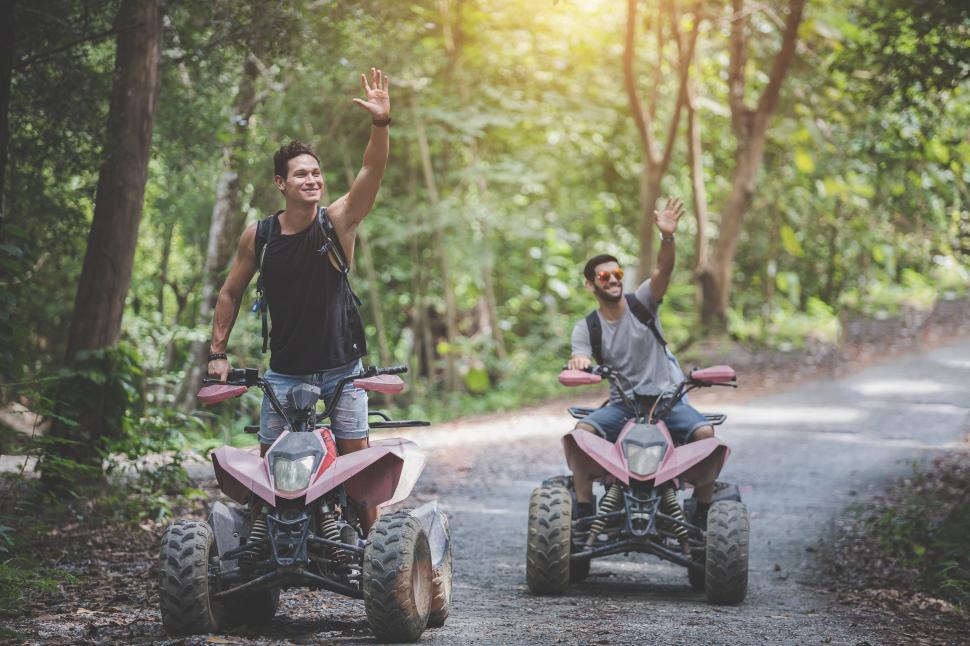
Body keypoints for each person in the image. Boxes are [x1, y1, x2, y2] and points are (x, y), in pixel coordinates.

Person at [206, 67, 391, 533]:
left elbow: (371, 170)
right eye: (301, 174)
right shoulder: (261, 236)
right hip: (283, 373)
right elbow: (230, 292)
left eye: (316, 172)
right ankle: (259, 562)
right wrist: (218, 353)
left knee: (358, 470)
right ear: (280, 184)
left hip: (342, 369)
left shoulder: (338, 221)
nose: (312, 180)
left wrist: (380, 124)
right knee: (269, 477)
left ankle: (374, 557)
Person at [567, 197, 720, 527]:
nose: (612, 280)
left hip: (668, 399)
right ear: (590, 284)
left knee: (706, 435)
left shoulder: (644, 303)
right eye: (603, 276)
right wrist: (580, 361)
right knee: (581, 433)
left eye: (616, 273)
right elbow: (579, 355)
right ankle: (582, 510)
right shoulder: (587, 327)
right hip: (624, 404)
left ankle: (703, 509)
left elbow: (664, 269)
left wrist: (667, 236)